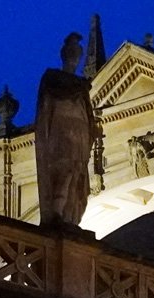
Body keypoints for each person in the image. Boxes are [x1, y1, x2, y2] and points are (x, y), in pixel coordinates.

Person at [34, 34, 98, 232]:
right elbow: (47, 105)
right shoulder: (53, 78)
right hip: (60, 134)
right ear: (64, 55)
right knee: (63, 173)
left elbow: (88, 115)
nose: (74, 57)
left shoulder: (81, 86)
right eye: (71, 53)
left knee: (77, 176)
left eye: (77, 54)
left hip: (79, 134)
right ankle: (56, 214)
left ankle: (69, 217)